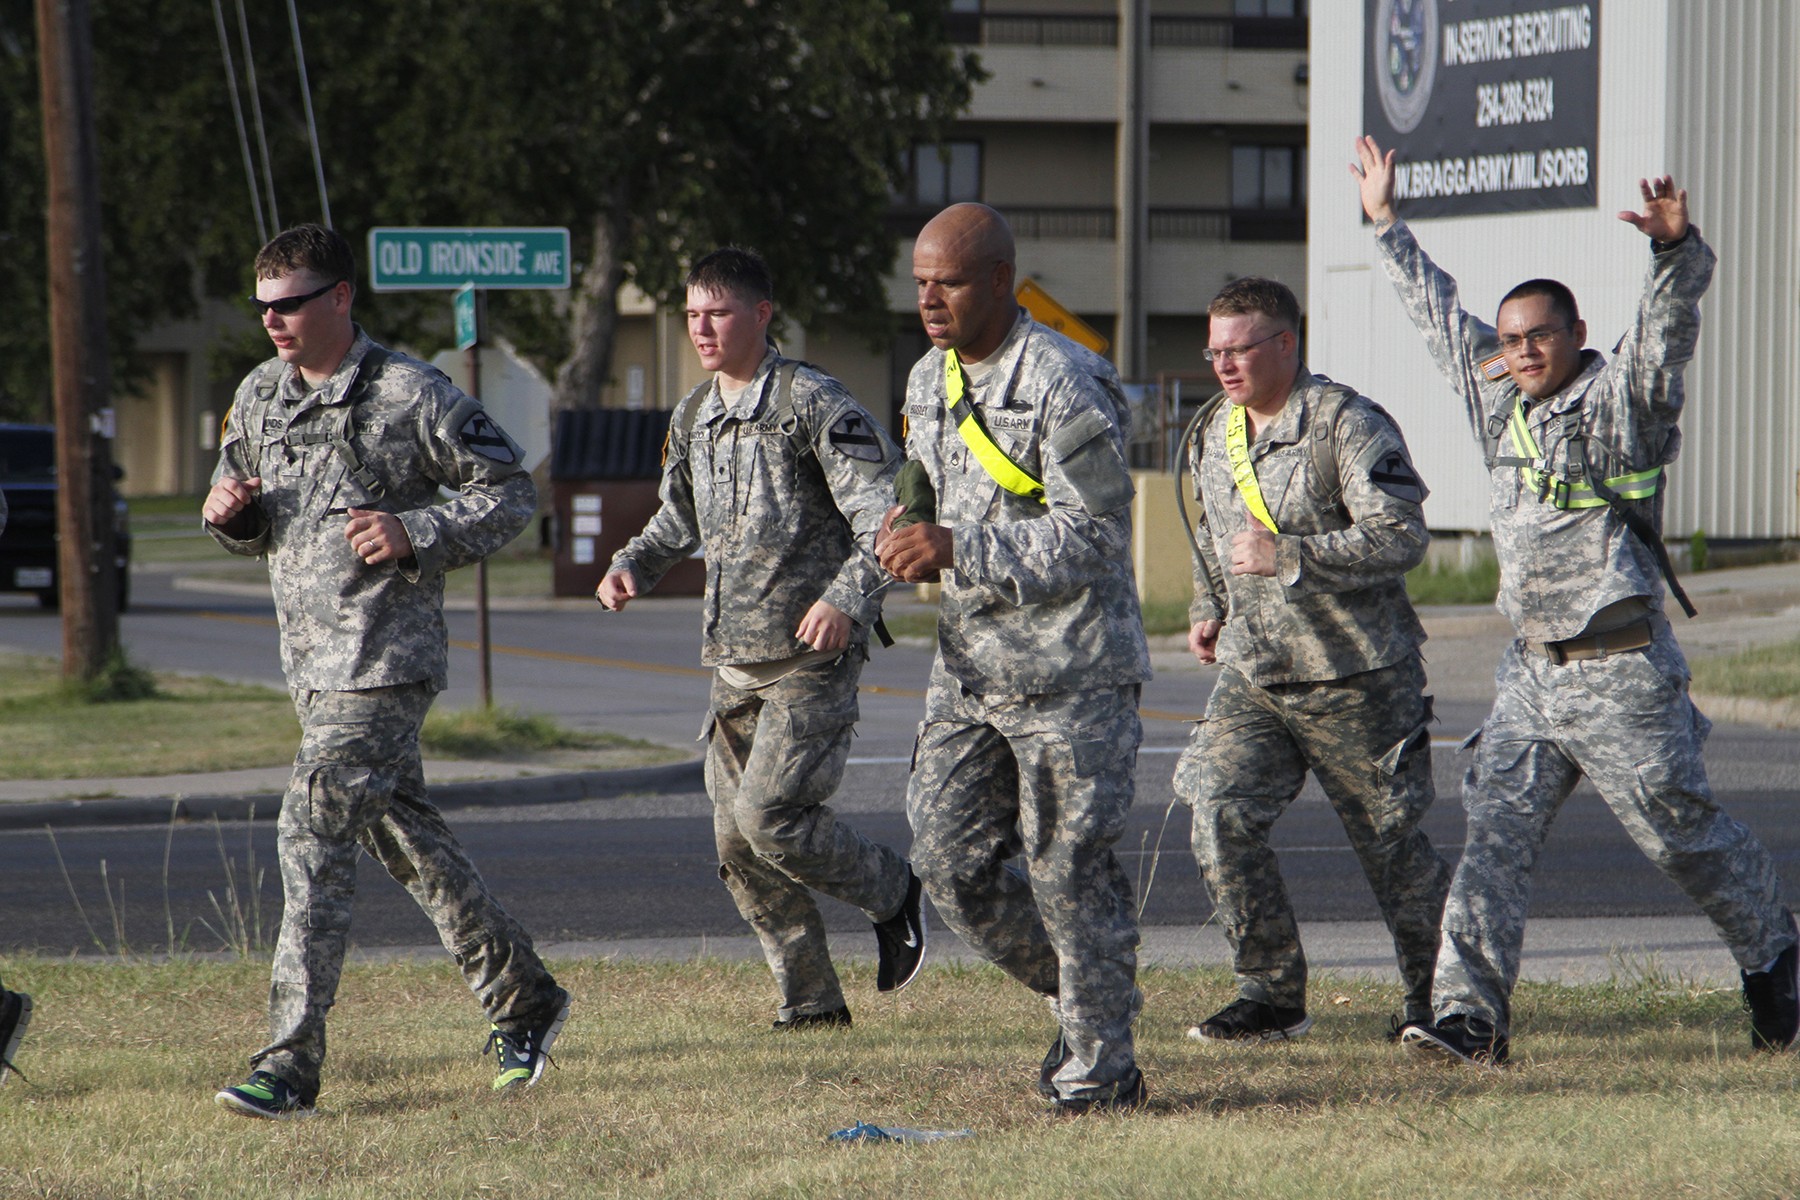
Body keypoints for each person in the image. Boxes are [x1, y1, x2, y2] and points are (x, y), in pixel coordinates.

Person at [1351, 134, 1799, 1066]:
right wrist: (1386, 223)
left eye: (1539, 337)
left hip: (1620, 669)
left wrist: (1674, 253)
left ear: (1575, 335)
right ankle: (1471, 1021)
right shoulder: (1498, 393)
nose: (1521, 352)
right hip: (1530, 677)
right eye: (1511, 340)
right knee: (1494, 840)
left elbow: (1663, 342)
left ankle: (1778, 960)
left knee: (1682, 839)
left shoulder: (1617, 404)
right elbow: (1440, 318)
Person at [203, 224, 569, 1118]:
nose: (273, 321)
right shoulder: (258, 395)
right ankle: (524, 995)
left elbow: (508, 491)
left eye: (289, 303)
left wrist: (419, 531)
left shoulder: (410, 393)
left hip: (385, 661)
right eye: (261, 307)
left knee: (311, 829)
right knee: (408, 841)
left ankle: (289, 1061)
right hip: (311, 670)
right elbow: (243, 507)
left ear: (339, 297)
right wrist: (230, 513)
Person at [597, 247, 924, 1030]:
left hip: (811, 661)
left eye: (717, 313)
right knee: (737, 849)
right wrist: (631, 564)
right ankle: (810, 1002)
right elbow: (678, 517)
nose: (702, 329)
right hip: (732, 666)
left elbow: (888, 516)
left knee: (771, 818)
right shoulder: (694, 415)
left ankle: (893, 892)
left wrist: (846, 598)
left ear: (761, 315)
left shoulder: (814, 403)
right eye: (691, 316)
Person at [878, 203, 1151, 1113]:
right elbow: (913, 504)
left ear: (999, 279)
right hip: (969, 670)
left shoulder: (1068, 381)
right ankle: (1084, 1006)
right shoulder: (927, 380)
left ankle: (1101, 1064)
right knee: (947, 862)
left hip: (1073, 673)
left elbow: (1102, 535)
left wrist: (960, 548)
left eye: (947, 281)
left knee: (1069, 867)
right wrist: (867, 572)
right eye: (920, 282)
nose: (929, 299)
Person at [1173, 276, 1450, 1045]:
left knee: (1392, 844)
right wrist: (1209, 610)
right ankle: (1269, 994)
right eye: (1214, 349)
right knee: (1217, 811)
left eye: (1240, 349)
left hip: (1356, 676)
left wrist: (1291, 554)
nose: (1224, 365)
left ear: (1286, 343)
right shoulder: (1212, 430)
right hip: (1256, 676)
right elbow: (1212, 535)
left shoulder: (1344, 423)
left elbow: (1402, 535)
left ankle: (1441, 1001)